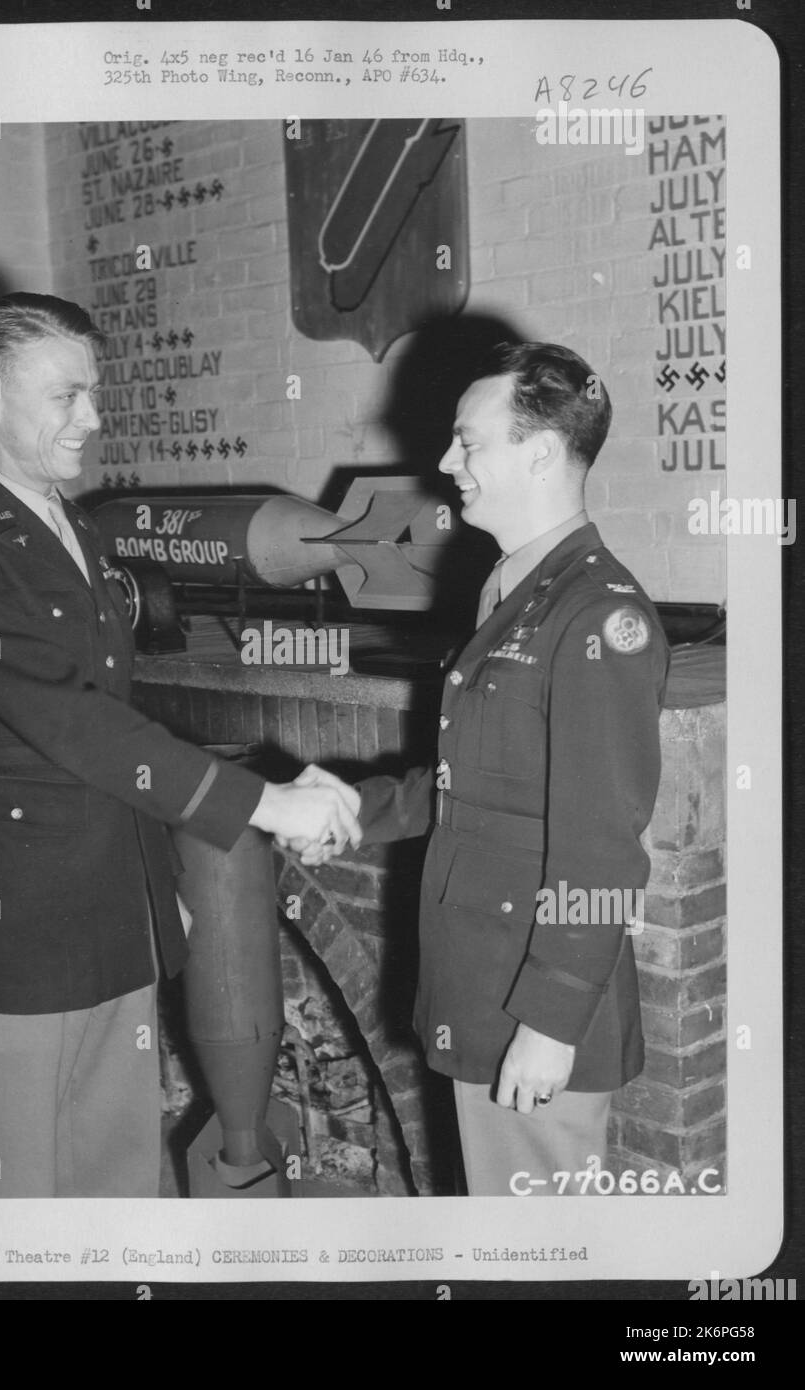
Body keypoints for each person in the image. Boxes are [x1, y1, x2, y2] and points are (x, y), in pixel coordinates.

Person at [0, 292, 360, 1200]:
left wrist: (156, 887)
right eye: (65, 396)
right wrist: (263, 802)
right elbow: (69, 718)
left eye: (92, 394)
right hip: (8, 923)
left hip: (111, 908)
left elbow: (115, 715)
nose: (91, 419)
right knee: (11, 1196)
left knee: (116, 1180)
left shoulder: (77, 532)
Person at [294, 343, 669, 1196]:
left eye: (468, 442)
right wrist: (355, 804)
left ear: (539, 452)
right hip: (488, 980)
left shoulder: (596, 615)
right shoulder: (514, 590)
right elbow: (475, 787)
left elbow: (604, 849)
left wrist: (550, 1018)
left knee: (536, 1250)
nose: (443, 462)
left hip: (531, 1004)